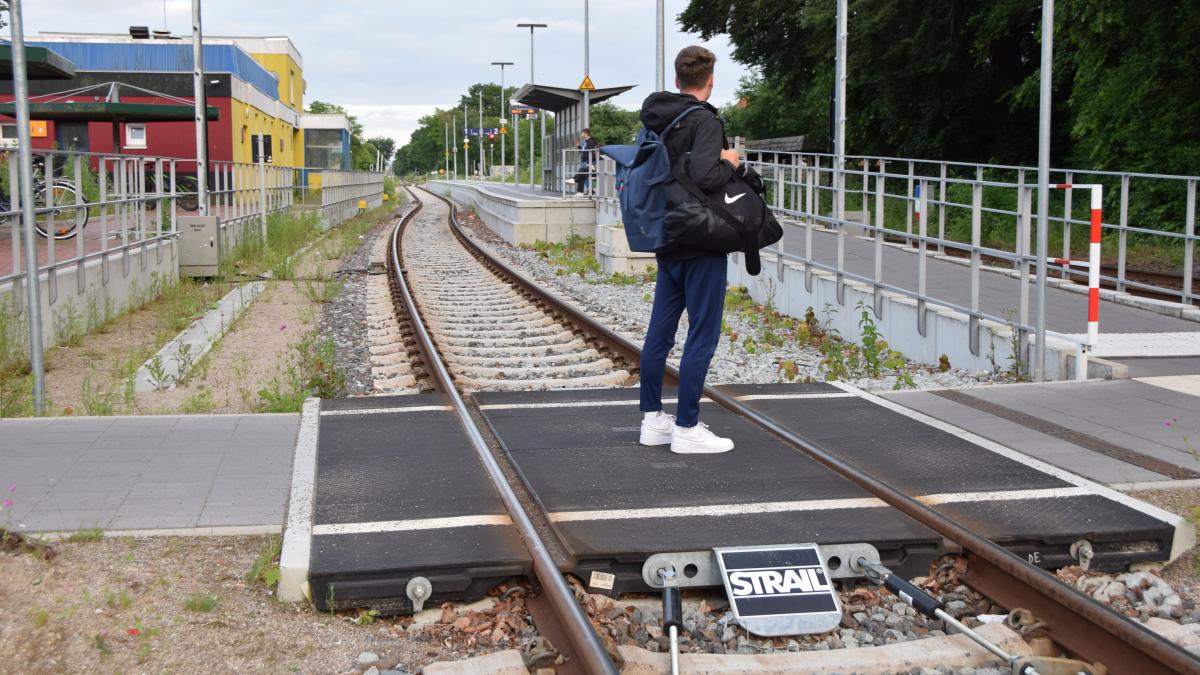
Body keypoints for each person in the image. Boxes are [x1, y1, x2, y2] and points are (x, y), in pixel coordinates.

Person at [638, 45, 740, 455]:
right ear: (710, 81)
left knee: (659, 333)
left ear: (677, 81)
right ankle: (686, 427)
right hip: (702, 239)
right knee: (702, 333)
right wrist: (730, 162)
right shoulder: (704, 120)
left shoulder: (658, 120)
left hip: (666, 235)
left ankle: (652, 420)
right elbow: (705, 175)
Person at [574, 128, 598, 194]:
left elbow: (590, 152)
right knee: (585, 175)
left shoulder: (591, 141)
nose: (581, 135)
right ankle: (590, 190)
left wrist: (589, 163)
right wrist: (579, 146)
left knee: (584, 174)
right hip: (585, 161)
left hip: (590, 162)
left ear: (585, 133)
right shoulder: (586, 142)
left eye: (582, 133)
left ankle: (575, 180)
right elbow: (583, 152)